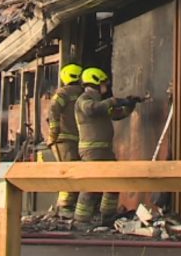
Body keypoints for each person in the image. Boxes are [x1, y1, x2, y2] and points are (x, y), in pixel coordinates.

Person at [72, 67, 142, 228]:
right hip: (92, 152)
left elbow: (118, 114)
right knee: (92, 185)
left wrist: (129, 104)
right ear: (96, 81)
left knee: (114, 182)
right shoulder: (84, 100)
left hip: (105, 151)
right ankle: (81, 220)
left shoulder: (99, 103)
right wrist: (114, 100)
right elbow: (92, 109)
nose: (106, 87)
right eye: (104, 83)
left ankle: (108, 216)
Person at [47, 63, 83, 217]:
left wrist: (53, 133)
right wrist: (55, 132)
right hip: (70, 139)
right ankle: (64, 208)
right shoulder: (81, 94)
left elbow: (52, 111)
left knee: (68, 172)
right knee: (69, 172)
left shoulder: (63, 93)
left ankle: (65, 207)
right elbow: (53, 111)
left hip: (65, 140)